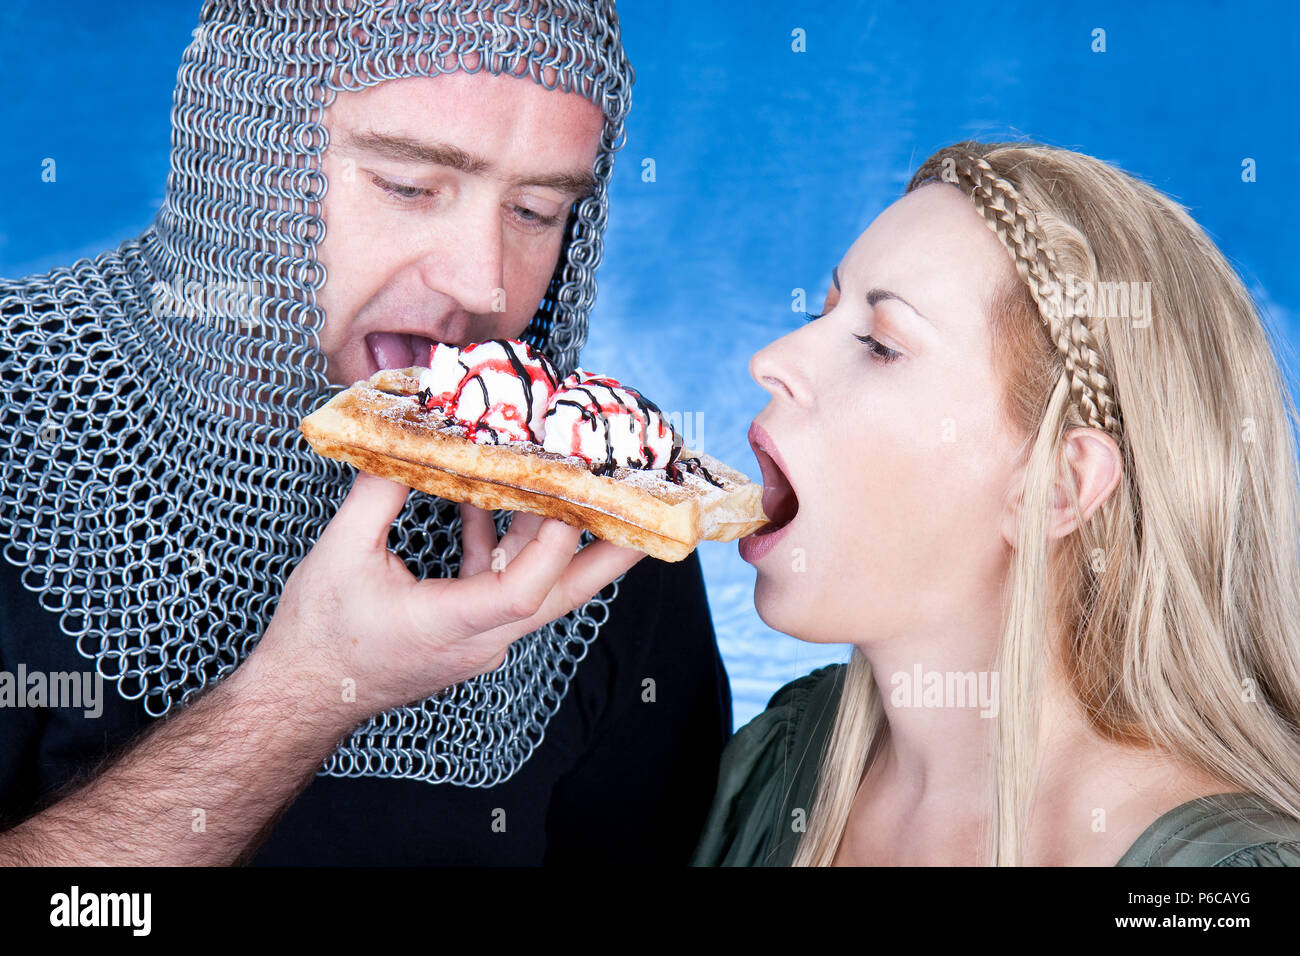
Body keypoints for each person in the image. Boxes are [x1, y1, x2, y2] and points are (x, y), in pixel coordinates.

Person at [0, 1, 732, 865]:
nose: (484, 282)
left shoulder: (588, 521)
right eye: (408, 186)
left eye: (535, 211)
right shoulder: (21, 414)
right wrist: (306, 691)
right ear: (243, 153)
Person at [693, 140, 1300, 866]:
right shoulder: (781, 766)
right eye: (826, 311)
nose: (772, 359)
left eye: (880, 344)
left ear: (1057, 487)